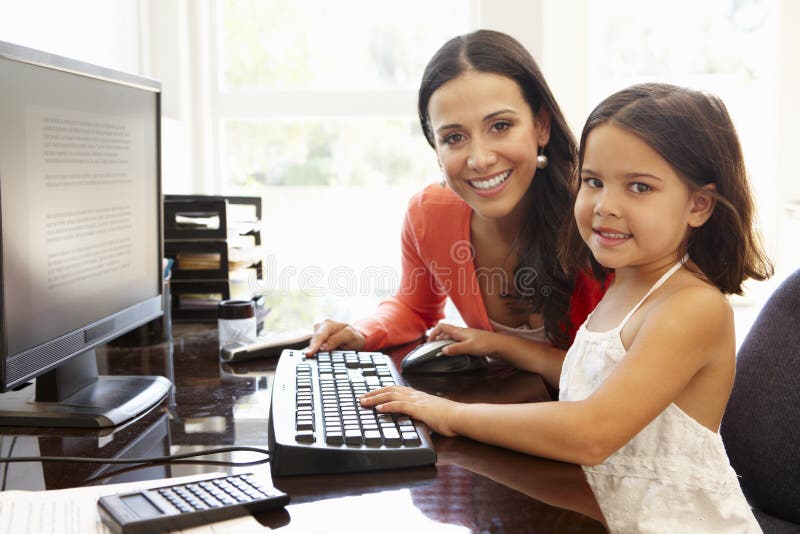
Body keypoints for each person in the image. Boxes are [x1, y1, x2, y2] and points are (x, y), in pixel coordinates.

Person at [361, 83, 773, 532]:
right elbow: (598, 378)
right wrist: (503, 346)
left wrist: (449, 415)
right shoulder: (627, 285)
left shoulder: (691, 307)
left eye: (639, 187)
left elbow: (591, 431)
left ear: (698, 205)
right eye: (593, 182)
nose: (605, 206)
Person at [308, 30, 606, 384]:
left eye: (500, 126)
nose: (479, 159)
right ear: (435, 148)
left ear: (540, 125)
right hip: (505, 418)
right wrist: (360, 333)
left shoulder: (598, 220)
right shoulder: (429, 213)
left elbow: (608, 379)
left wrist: (496, 345)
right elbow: (414, 307)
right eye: (453, 138)